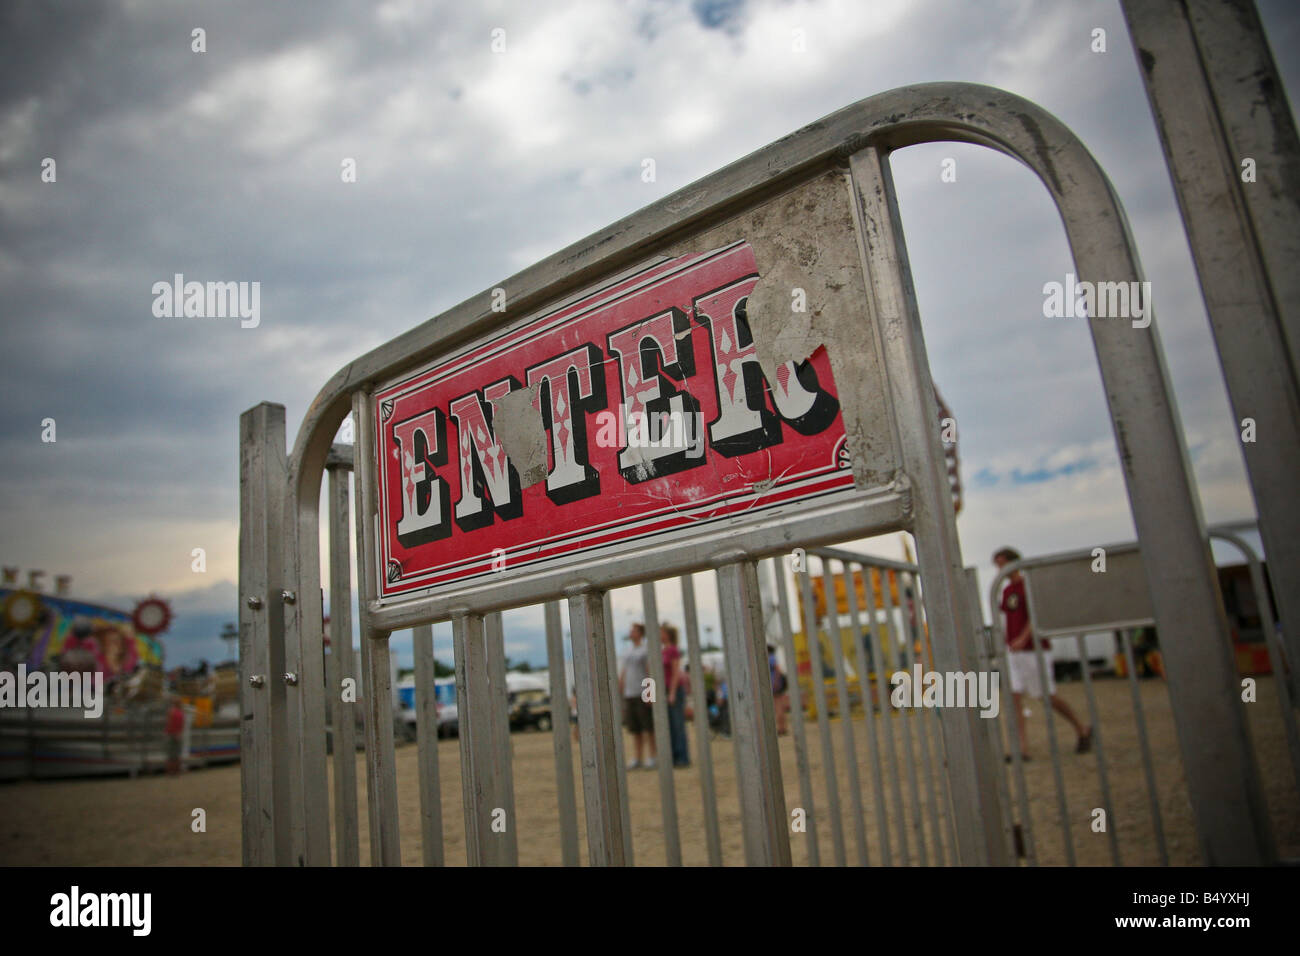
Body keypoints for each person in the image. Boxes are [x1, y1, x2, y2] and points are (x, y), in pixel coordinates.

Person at [993, 547, 1091, 760]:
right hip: (1013, 651)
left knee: (1047, 696)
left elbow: (1035, 614)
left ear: (1012, 562)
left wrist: (1024, 637)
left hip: (1033, 650)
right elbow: (1005, 618)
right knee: (1014, 697)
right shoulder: (1007, 590)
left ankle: (1081, 727)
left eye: (1001, 563)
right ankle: (1021, 748)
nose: (998, 568)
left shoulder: (1029, 586)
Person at [618, 623, 655, 769]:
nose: (631, 632)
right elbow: (624, 670)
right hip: (630, 693)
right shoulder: (627, 650)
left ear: (640, 633)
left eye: (633, 630)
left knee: (648, 727)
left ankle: (652, 756)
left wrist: (650, 692)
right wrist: (621, 686)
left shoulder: (645, 650)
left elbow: (650, 670)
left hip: (642, 692)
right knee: (635, 729)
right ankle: (638, 757)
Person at [661, 624, 690, 767]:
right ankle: (673, 756)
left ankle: (682, 757)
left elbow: (675, 672)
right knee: (669, 725)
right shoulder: (662, 651)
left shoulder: (672, 650)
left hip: (674, 690)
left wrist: (672, 693)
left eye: (662, 632)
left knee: (677, 724)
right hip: (664, 690)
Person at [768, 644, 790, 735]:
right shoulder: (773, 657)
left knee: (778, 707)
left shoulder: (770, 658)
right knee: (780, 706)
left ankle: (781, 728)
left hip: (774, 685)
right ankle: (783, 727)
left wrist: (776, 682)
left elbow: (777, 670)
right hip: (777, 685)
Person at [164, 695, 187, 775]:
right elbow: (180, 724)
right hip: (176, 734)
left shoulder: (172, 712)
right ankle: (175, 771)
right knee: (176, 754)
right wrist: (178, 733)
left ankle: (171, 771)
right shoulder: (180, 713)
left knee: (172, 754)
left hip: (172, 734)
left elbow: (169, 723)